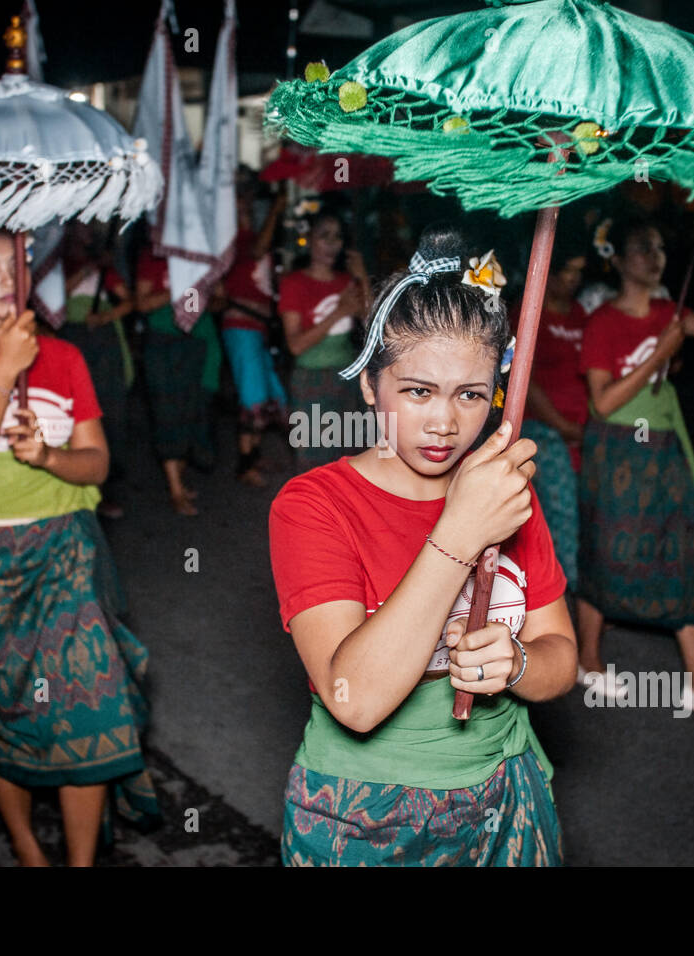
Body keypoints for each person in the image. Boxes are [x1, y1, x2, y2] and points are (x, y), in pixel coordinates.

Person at [269, 224, 577, 866]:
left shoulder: (505, 492)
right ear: (369, 385)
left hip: (507, 795)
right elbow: (355, 700)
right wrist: (460, 533)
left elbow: (561, 657)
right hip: (367, 813)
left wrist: (516, 664)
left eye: (470, 395)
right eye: (417, 391)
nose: (444, 422)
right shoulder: (314, 506)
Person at [0, 229, 157, 866]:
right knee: (3, 712)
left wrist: (47, 455)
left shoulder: (65, 357)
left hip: (62, 553)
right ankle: (27, 850)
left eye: (14, 264)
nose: (5, 279)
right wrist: (2, 371)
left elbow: (97, 463)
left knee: (91, 707)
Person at [574, 215, 694, 719]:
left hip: (664, 447)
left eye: (659, 248)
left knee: (685, 552)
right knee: (607, 552)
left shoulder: (668, 313)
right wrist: (659, 355)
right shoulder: (604, 322)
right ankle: (587, 659)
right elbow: (604, 402)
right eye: (642, 248)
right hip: (617, 449)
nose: (655, 257)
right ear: (616, 260)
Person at [513, 244, 588, 588]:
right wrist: (561, 426)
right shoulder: (529, 312)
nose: (573, 279)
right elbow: (524, 380)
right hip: (544, 430)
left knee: (583, 513)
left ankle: (581, 594)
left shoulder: (580, 314)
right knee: (560, 514)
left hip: (582, 432)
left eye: (579, 272)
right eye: (567, 271)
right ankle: (562, 594)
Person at [279, 211, 371, 472]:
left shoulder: (346, 281)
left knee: (351, 459)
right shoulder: (294, 283)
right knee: (314, 463)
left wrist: (362, 276)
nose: (332, 243)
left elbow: (372, 322)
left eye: (337, 237)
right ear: (309, 240)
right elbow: (296, 345)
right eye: (324, 236)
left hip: (348, 380)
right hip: (311, 381)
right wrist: (338, 313)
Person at [135, 246, 221, 515]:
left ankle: (179, 480)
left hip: (201, 341)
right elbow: (142, 304)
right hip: (164, 342)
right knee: (168, 413)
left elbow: (221, 301)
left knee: (194, 411)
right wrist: (180, 287)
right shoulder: (153, 257)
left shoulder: (205, 255)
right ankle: (175, 489)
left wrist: (201, 294)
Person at [58, 221, 135, 518]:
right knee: (71, 412)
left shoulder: (104, 268)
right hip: (70, 339)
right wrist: (86, 270)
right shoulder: (56, 266)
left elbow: (129, 302)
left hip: (101, 342)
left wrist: (105, 318)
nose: (88, 231)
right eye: (82, 225)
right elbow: (57, 296)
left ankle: (104, 489)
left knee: (107, 411)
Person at [220, 173, 288, 487]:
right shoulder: (230, 241)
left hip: (257, 328)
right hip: (241, 327)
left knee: (270, 393)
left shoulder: (252, 236)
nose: (244, 206)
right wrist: (277, 209)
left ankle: (255, 454)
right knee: (253, 396)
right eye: (238, 202)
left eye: (247, 201)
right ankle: (244, 465)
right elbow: (258, 251)